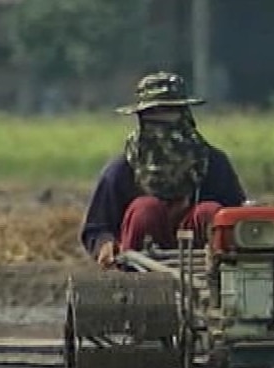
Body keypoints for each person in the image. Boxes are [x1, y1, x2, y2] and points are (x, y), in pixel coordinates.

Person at [79, 71, 247, 268]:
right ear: (142, 119)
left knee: (209, 213)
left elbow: (236, 216)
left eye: (170, 112)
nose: (163, 121)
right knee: (145, 210)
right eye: (154, 114)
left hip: (203, 261)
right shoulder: (121, 170)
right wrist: (104, 245)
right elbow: (96, 228)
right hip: (140, 263)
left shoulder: (213, 163)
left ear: (185, 115)